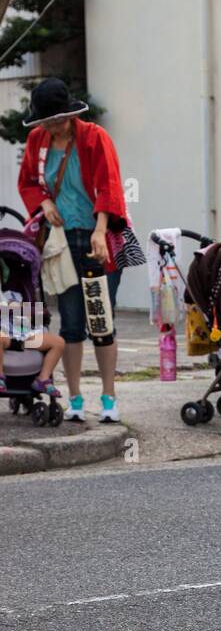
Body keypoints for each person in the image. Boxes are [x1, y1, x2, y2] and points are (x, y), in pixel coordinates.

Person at [18, 80, 134, 423]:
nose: (52, 126)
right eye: (47, 121)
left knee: (102, 319)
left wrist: (100, 230)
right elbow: (27, 182)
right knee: (70, 322)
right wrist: (44, 201)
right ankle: (76, 399)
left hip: (99, 237)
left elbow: (109, 184)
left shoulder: (94, 137)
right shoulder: (37, 141)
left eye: (58, 119)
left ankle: (109, 398)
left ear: (70, 114)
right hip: (61, 241)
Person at [0, 267, 64, 397]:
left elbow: (36, 313)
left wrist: (23, 309)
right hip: (4, 336)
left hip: (25, 335)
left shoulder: (12, 295)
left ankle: (43, 378)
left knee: (58, 343)